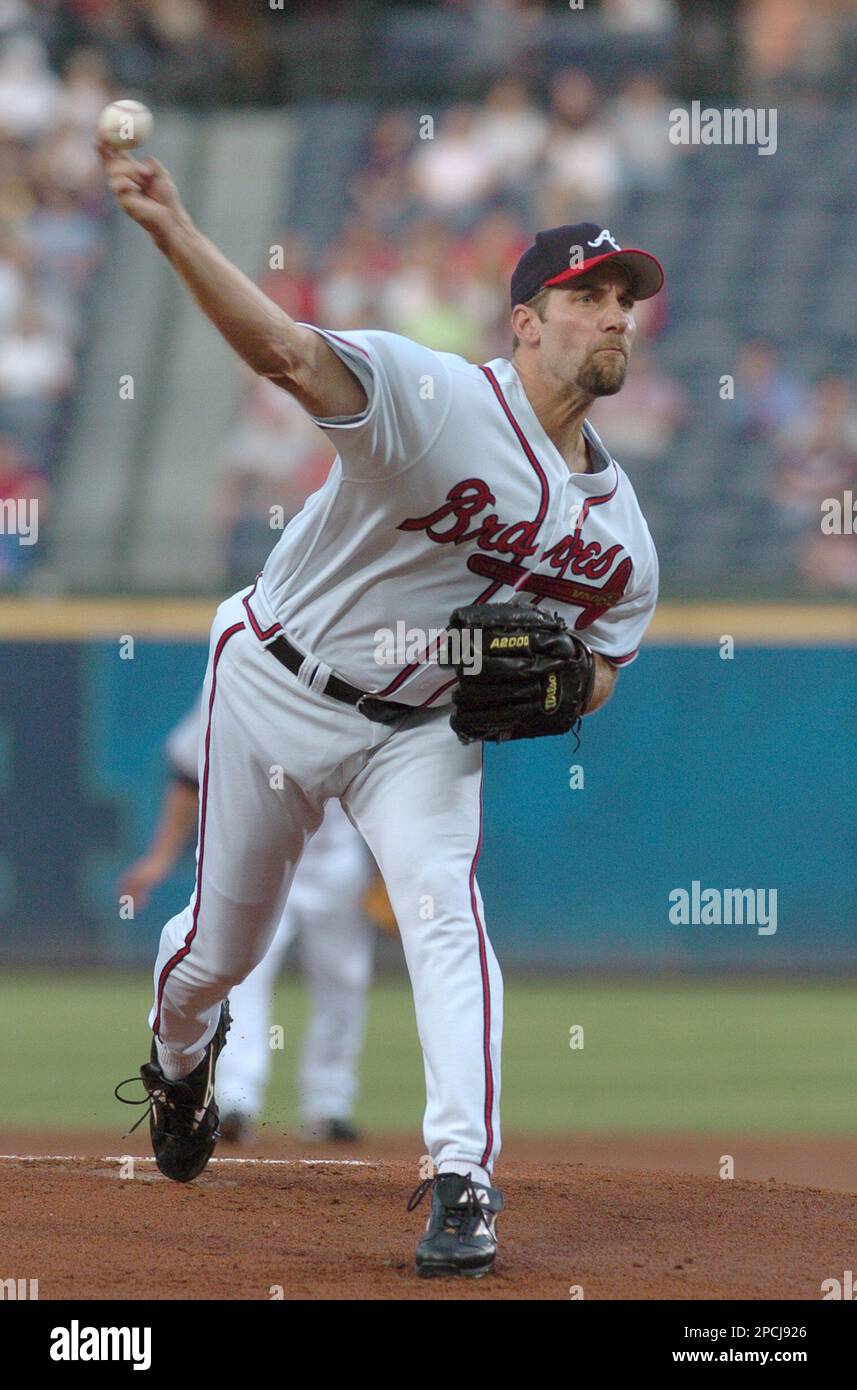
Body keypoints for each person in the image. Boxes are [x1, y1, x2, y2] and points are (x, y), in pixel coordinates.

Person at [101, 132, 661, 1280]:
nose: (613, 315)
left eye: (624, 298)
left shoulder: (620, 535)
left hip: (419, 732)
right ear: (523, 321)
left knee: (446, 924)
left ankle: (463, 1180)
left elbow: (607, 662)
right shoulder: (434, 394)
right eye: (585, 294)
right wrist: (172, 228)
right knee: (218, 950)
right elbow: (283, 351)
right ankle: (179, 1058)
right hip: (275, 680)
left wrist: (573, 690)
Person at [118, 695, 376, 1144]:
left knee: (345, 980)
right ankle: (237, 1100)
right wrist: (159, 858)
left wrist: (389, 873)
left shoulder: (355, 674)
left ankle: (329, 1104)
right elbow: (186, 770)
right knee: (243, 977)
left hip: (338, 865)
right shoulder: (249, 670)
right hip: (265, 860)